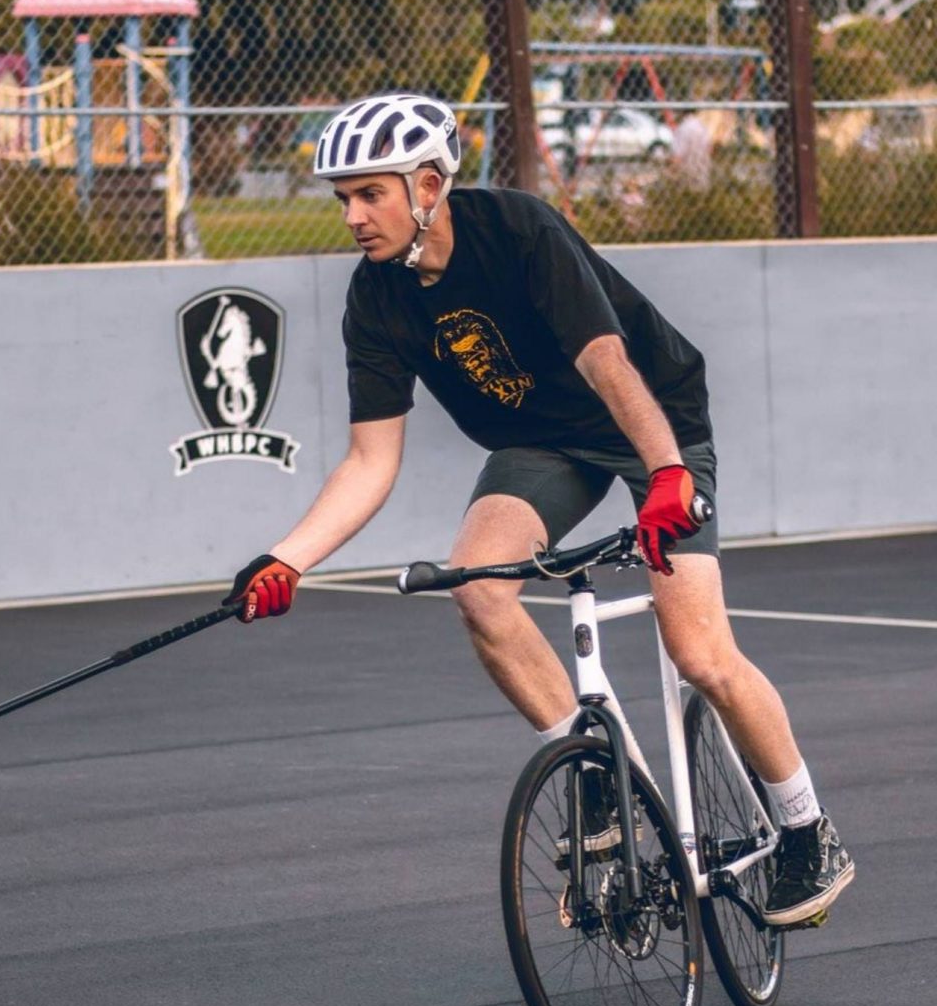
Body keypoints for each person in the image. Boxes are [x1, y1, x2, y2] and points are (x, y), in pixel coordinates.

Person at [224, 94, 853, 927]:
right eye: (342, 199)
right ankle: (603, 776)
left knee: (699, 649)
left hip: (649, 421)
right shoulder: (375, 299)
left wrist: (666, 471)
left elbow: (606, 361)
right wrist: (288, 557)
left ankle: (809, 829)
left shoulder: (517, 231)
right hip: (542, 444)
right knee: (479, 589)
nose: (353, 217)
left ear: (426, 184)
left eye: (369, 193)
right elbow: (371, 460)